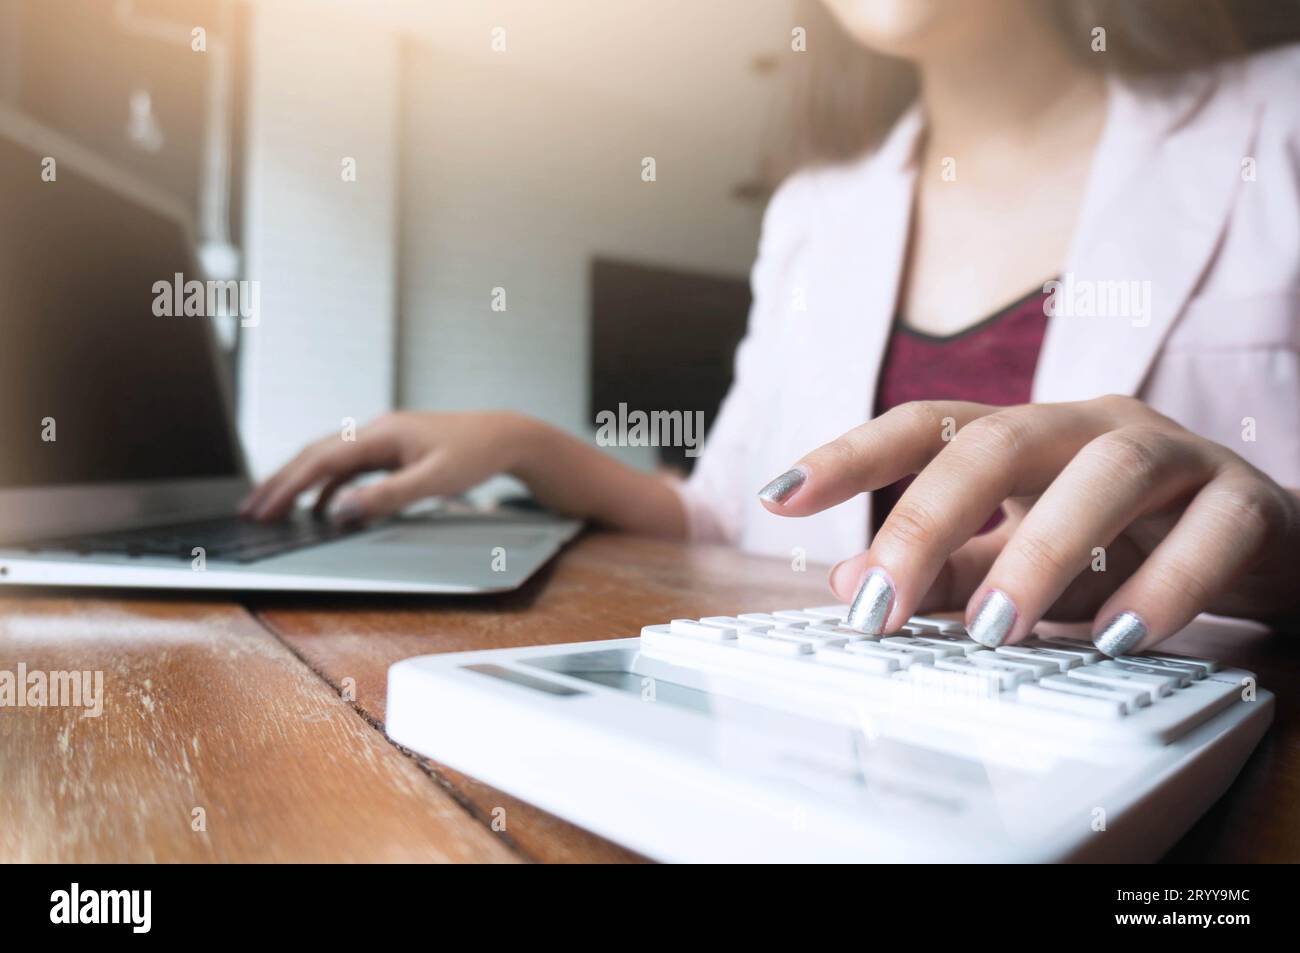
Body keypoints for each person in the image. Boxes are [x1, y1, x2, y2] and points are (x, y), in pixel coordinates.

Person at [241, 0, 1300, 658]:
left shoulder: (1279, 118)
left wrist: (1282, 556)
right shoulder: (813, 208)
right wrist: (522, 443)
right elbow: (739, 518)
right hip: (838, 743)